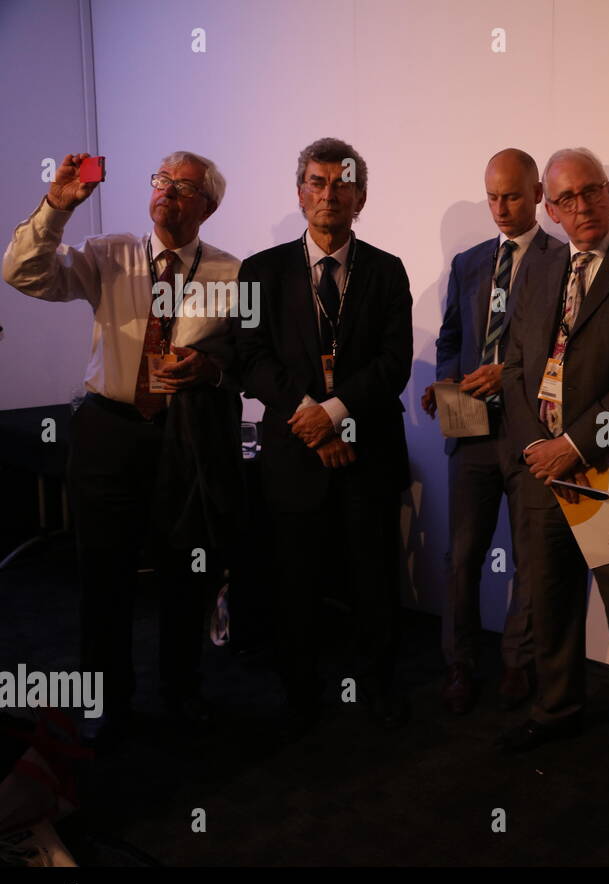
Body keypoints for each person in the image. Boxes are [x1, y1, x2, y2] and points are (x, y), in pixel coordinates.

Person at [3, 151, 243, 743]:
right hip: (108, 432)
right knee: (104, 576)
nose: (169, 192)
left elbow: (250, 357)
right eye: (162, 181)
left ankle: (182, 692)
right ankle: (108, 704)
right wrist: (57, 207)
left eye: (185, 187)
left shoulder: (232, 274)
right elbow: (23, 273)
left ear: (208, 205)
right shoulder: (110, 255)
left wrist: (211, 368)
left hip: (184, 434)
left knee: (187, 573)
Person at [498, 147, 609, 752]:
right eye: (567, 199)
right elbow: (519, 363)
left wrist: (573, 446)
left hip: (606, 470)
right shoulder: (540, 267)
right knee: (548, 599)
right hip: (538, 470)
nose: (582, 207)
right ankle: (556, 708)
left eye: (591, 192)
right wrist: (535, 447)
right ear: (549, 210)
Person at [235, 137, 413, 734]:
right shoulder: (259, 272)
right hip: (293, 451)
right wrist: (312, 415)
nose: (328, 194)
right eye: (317, 181)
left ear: (361, 196)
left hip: (368, 451)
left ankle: (380, 688)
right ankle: (300, 694)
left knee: (374, 579)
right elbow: (251, 360)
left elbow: (395, 364)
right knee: (296, 581)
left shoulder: (387, 271)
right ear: (300, 191)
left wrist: (335, 411)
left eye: (342, 184)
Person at [423, 148, 556, 714]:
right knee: (462, 555)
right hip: (471, 429)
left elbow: (563, 349)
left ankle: (518, 663)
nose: (501, 208)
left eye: (513, 196)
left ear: (538, 197)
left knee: (530, 556)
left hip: (531, 431)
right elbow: (451, 336)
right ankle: (460, 664)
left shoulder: (561, 259)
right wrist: (446, 381)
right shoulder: (470, 261)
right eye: (493, 197)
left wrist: (512, 374)